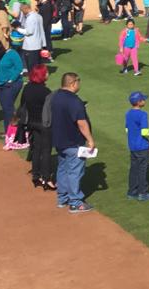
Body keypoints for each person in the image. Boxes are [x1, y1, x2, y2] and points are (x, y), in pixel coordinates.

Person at [51, 72, 95, 213]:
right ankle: (75, 203)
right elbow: (81, 123)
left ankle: (62, 198)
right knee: (74, 172)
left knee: (63, 169)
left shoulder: (56, 96)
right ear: (72, 83)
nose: (79, 84)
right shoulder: (74, 101)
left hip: (59, 140)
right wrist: (90, 140)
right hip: (73, 142)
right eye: (78, 82)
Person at [20, 64, 54, 190]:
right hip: (44, 124)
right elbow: (52, 110)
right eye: (46, 72)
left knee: (36, 149)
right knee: (46, 151)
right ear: (42, 75)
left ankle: (36, 176)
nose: (48, 74)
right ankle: (47, 179)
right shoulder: (46, 92)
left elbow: (22, 105)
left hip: (31, 123)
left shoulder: (27, 88)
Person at [125, 91, 149, 201]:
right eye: (143, 99)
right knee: (142, 170)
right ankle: (143, 193)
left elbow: (127, 129)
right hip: (142, 146)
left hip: (132, 146)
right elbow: (144, 132)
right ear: (139, 102)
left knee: (134, 169)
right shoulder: (143, 114)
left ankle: (132, 192)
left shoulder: (128, 113)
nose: (144, 101)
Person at [0, 39, 24, 130]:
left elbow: (19, 68)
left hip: (12, 84)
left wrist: (11, 80)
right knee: (6, 109)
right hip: (0, 85)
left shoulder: (12, 54)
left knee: (8, 108)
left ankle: (11, 131)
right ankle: (9, 130)